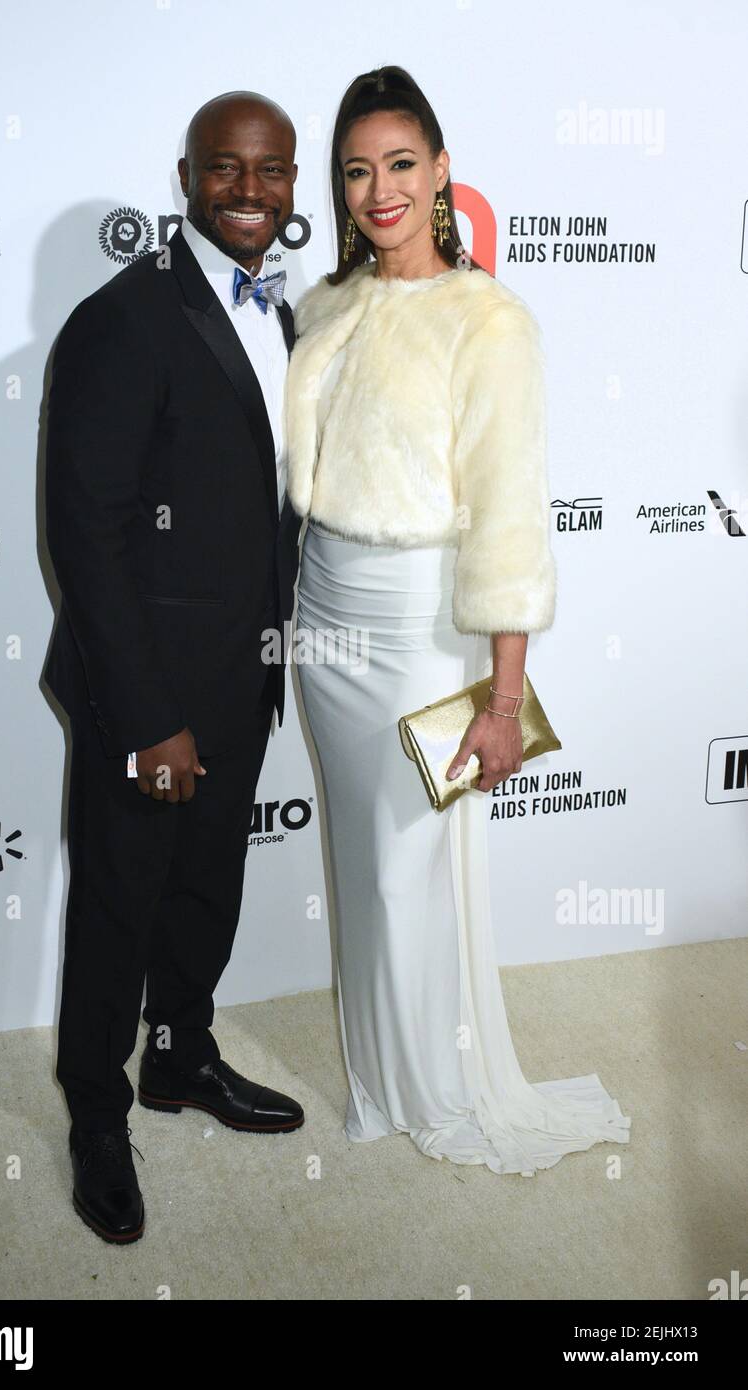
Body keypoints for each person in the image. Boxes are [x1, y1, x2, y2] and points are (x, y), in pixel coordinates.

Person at [285, 66, 631, 1177]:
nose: (377, 189)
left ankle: (431, 1083)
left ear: (440, 173)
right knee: (360, 862)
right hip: (322, 615)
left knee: (403, 868)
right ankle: (381, 1077)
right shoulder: (325, 307)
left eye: (398, 163)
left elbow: (507, 525)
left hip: (415, 626)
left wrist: (500, 698)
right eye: (355, 169)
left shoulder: (488, 320)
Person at [42, 91, 304, 1243]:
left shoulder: (285, 316)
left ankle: (178, 1058)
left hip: (243, 672)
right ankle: (96, 1114)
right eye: (224, 169)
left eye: (270, 170)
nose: (248, 191)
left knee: (206, 888)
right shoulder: (124, 315)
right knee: (116, 904)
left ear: (291, 182)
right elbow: (84, 528)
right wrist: (148, 714)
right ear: (186, 175)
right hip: (143, 691)